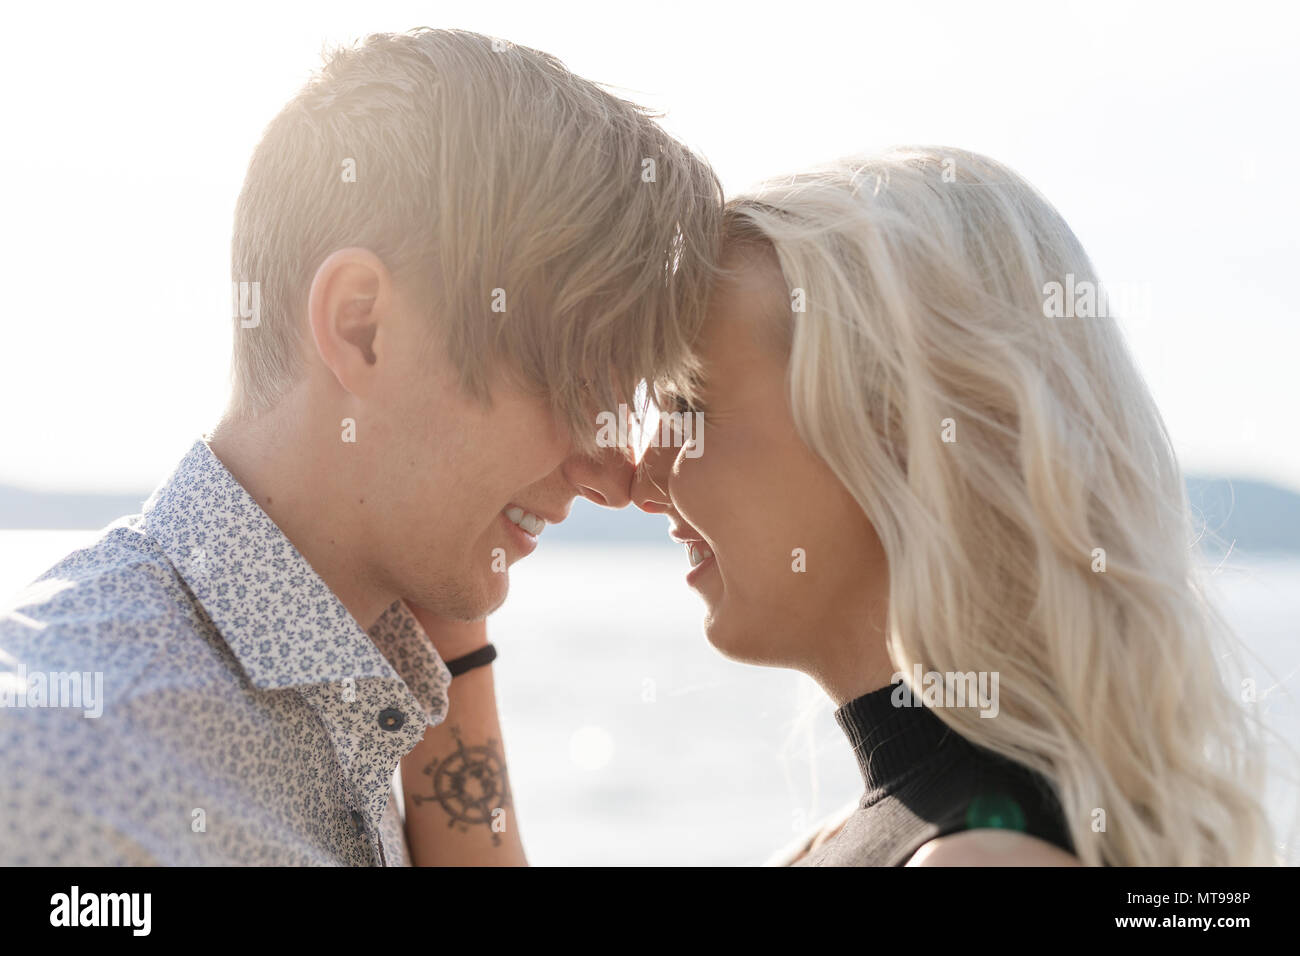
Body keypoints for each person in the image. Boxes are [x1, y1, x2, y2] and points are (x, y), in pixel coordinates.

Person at [0, 28, 722, 865]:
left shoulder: (359, 675)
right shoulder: (66, 781)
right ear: (361, 326)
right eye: (577, 387)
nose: (615, 478)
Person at [631, 146, 1276, 866]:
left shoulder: (977, 854)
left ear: (903, 430)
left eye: (690, 404)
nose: (643, 474)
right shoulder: (862, 837)